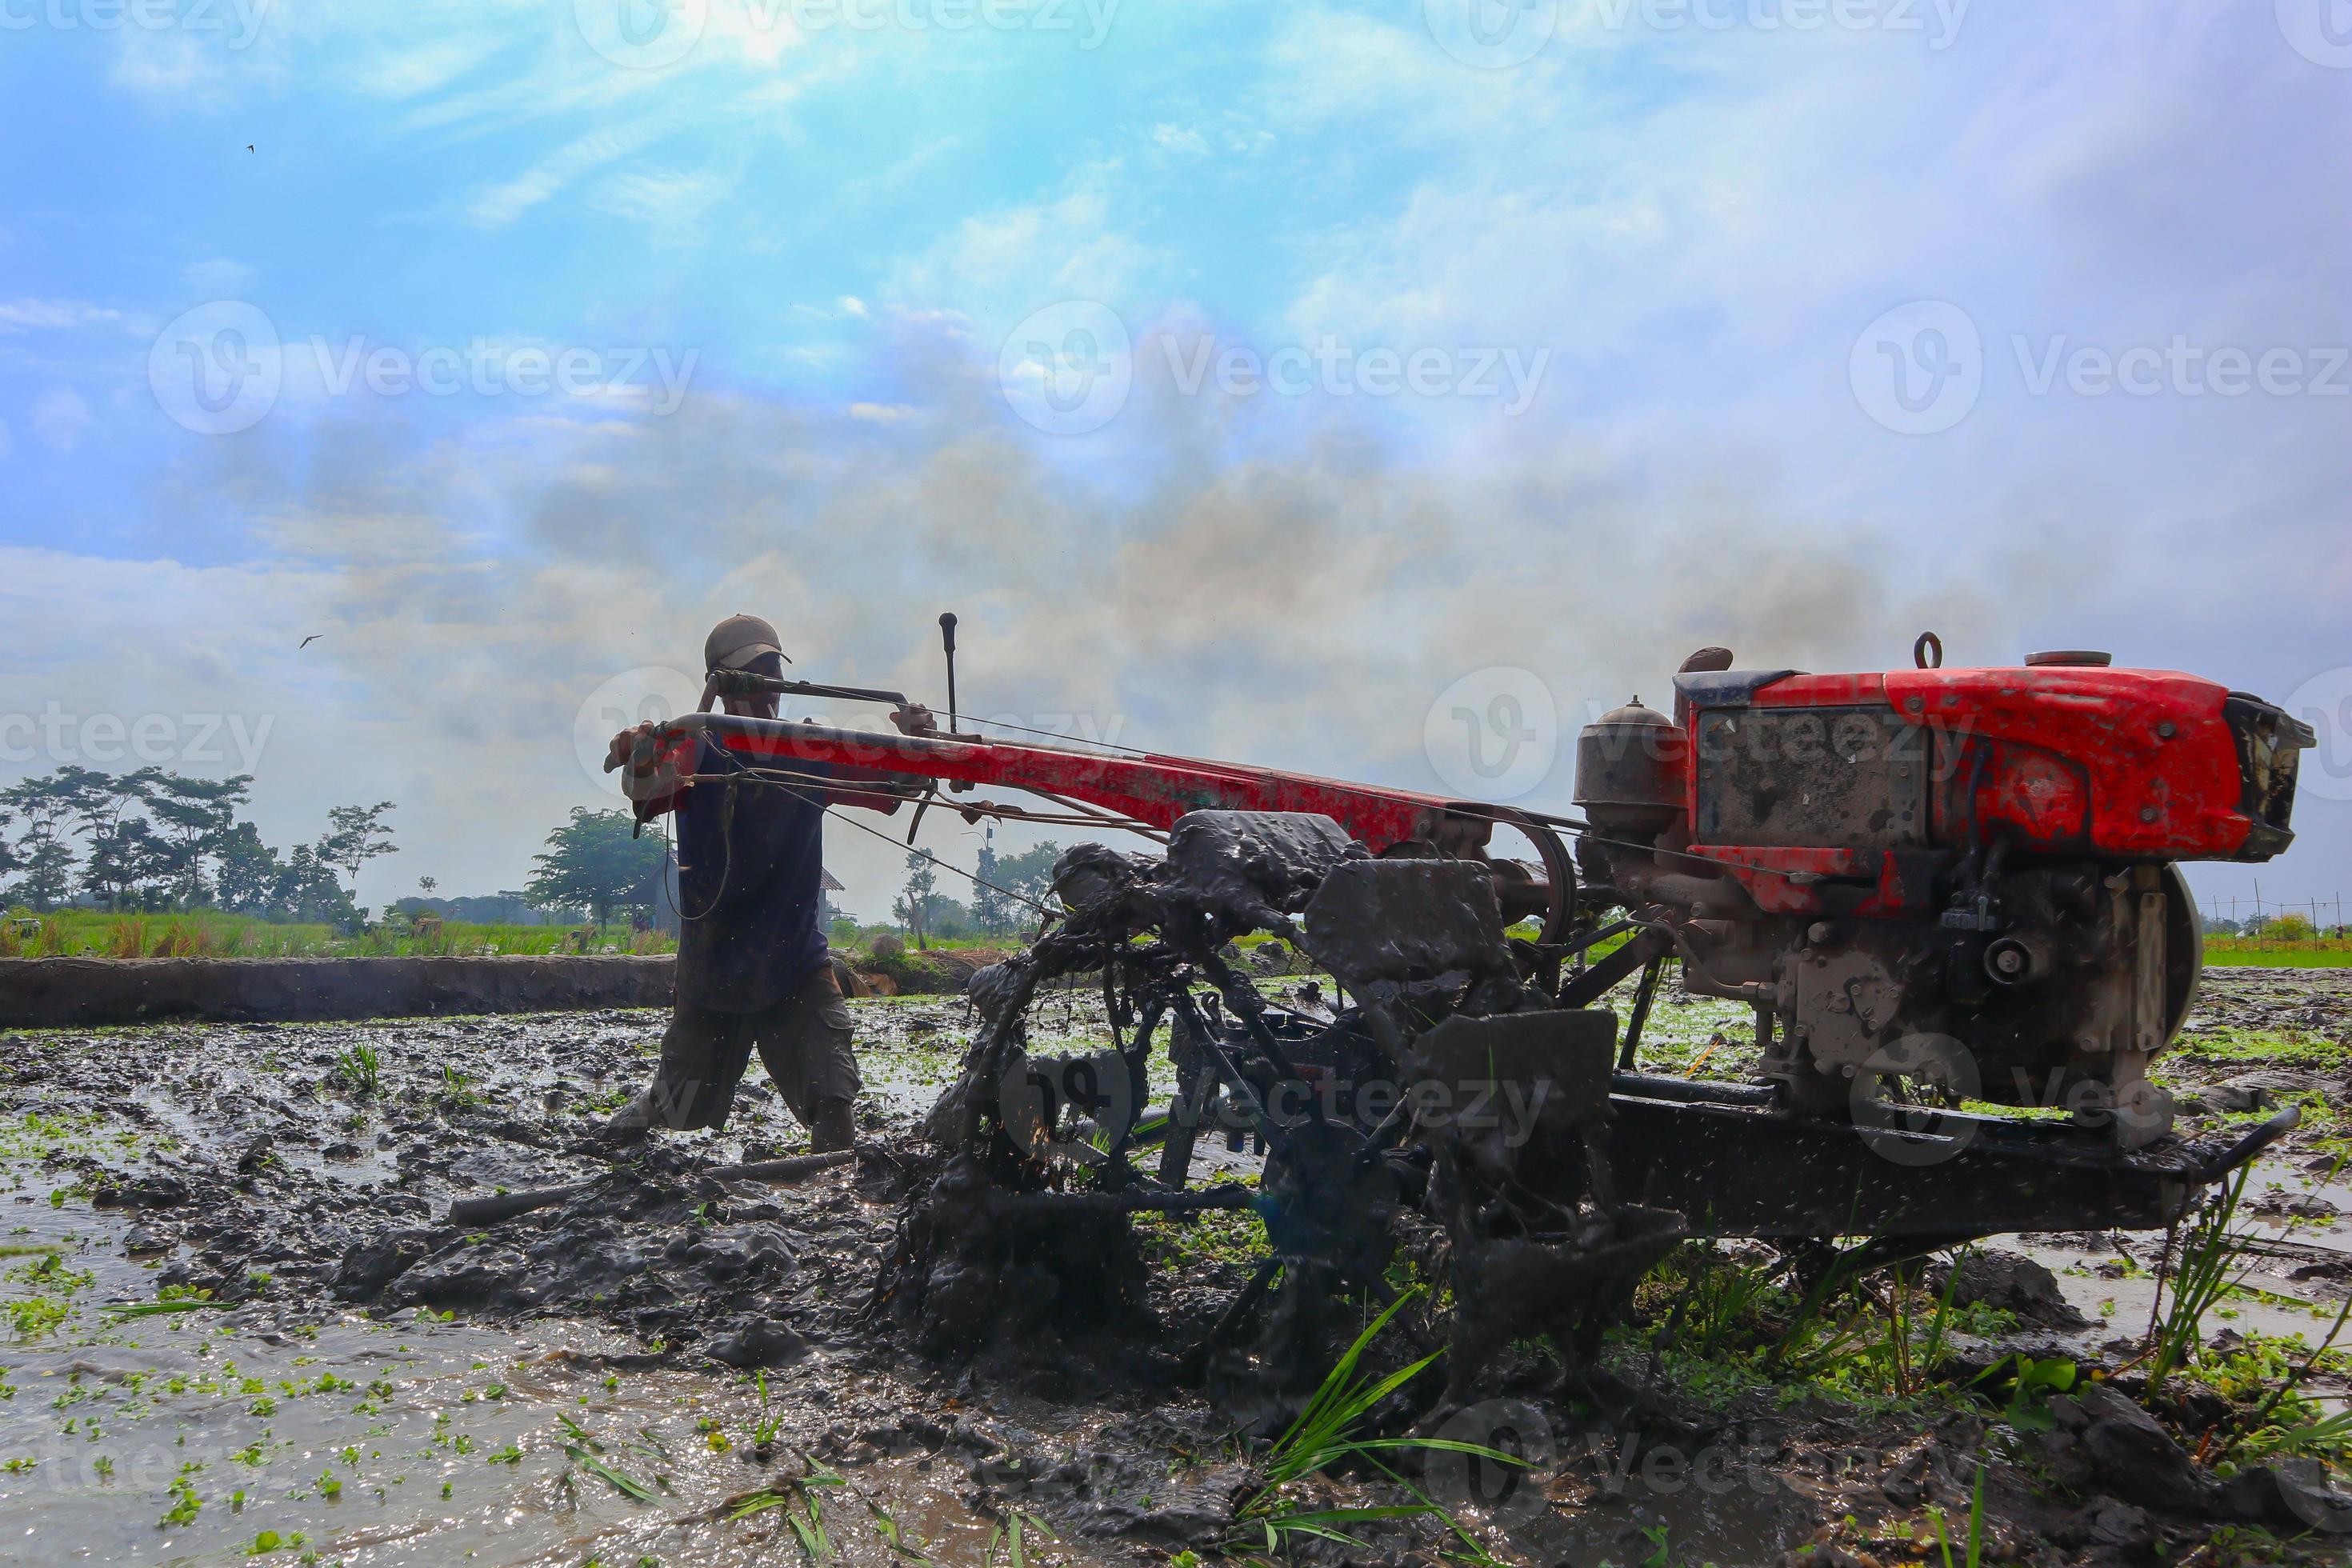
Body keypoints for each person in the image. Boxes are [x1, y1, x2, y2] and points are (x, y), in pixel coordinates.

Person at [602, 614, 914, 1150]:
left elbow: (891, 785)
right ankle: (632, 1122)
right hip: (714, 965)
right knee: (680, 1110)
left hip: (796, 962)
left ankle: (834, 1203)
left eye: (772, 671)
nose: (765, 689)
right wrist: (643, 752)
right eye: (752, 676)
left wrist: (915, 746)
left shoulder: (811, 749)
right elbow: (645, 790)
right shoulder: (696, 746)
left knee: (834, 1094)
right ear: (721, 686)